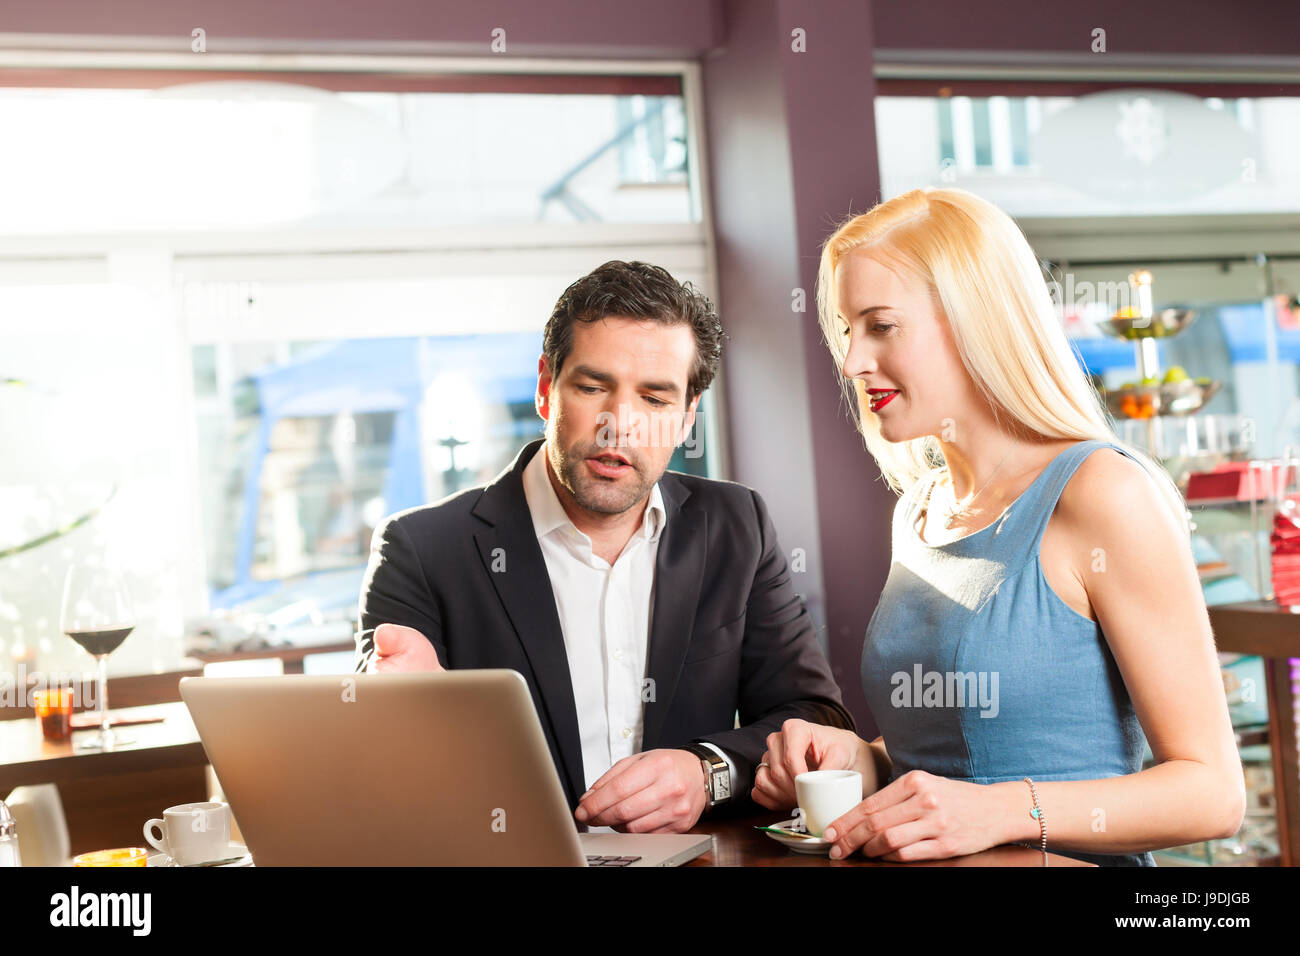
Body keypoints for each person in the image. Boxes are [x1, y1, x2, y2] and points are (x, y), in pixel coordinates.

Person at [752, 187, 1245, 866]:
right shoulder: (920, 509)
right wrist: (860, 761)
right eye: (846, 330)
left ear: (973, 320)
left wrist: (1003, 810)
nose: (852, 362)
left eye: (880, 325)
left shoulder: (1102, 493)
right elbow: (958, 747)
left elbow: (1213, 793)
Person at [355, 259, 854, 834]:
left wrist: (708, 771)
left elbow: (816, 718)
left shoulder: (736, 524)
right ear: (547, 388)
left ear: (689, 416)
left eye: (656, 399)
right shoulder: (421, 549)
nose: (620, 426)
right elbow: (384, 768)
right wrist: (390, 719)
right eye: (594, 388)